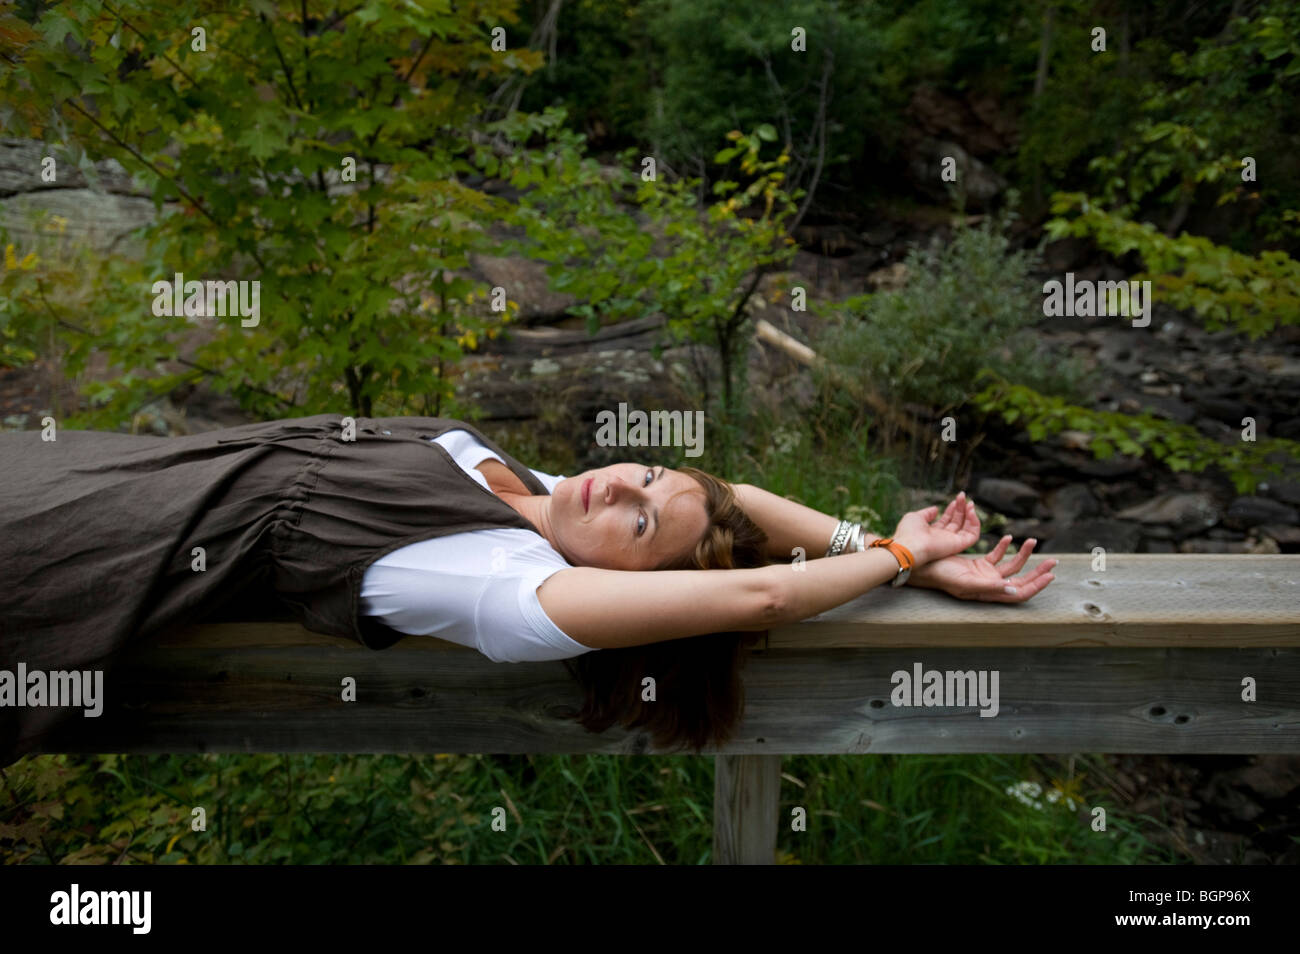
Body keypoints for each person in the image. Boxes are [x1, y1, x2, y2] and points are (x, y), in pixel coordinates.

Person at [0, 413, 1056, 761]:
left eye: (640, 523)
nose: (623, 490)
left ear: (634, 591)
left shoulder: (509, 590)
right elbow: (726, 492)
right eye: (643, 474)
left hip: (89, 539)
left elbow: (760, 601)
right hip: (132, 469)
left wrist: (910, 564)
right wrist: (871, 531)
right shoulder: (549, 494)